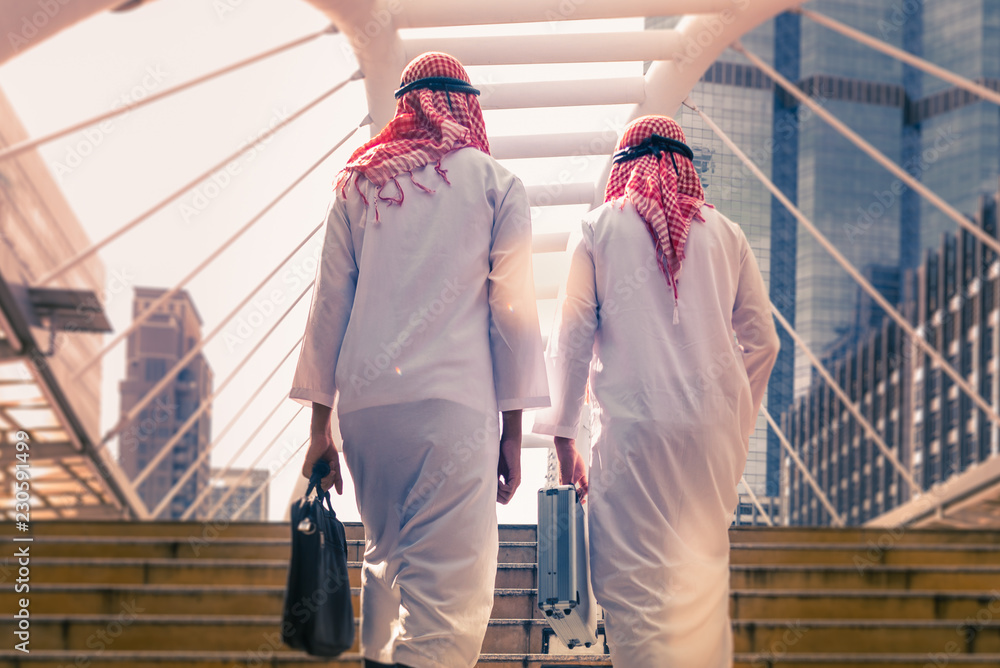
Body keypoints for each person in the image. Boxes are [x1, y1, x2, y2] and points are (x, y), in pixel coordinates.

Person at [289, 52, 549, 668]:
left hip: (369, 414)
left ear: (405, 107)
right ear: (468, 106)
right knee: (451, 605)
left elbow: (330, 309)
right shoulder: (497, 185)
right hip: (455, 413)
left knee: (385, 567)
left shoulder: (357, 185)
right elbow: (512, 318)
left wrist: (318, 429)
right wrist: (513, 434)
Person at [533, 115, 779, 667]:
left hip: (634, 440)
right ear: (686, 168)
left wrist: (564, 443)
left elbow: (570, 341)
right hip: (711, 444)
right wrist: (733, 430)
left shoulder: (597, 228)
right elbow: (764, 345)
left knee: (636, 595)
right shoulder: (727, 234)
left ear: (623, 168)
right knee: (701, 596)